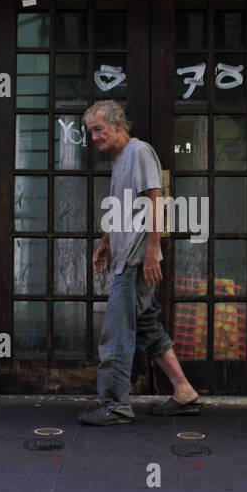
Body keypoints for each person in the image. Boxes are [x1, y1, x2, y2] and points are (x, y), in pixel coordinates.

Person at [78, 100, 201, 425]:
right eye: (91, 132)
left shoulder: (139, 152)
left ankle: (116, 405)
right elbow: (124, 209)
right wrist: (106, 241)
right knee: (147, 327)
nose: (94, 138)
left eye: (99, 130)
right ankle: (184, 391)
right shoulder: (120, 160)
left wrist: (151, 251)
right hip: (125, 256)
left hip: (135, 261)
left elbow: (155, 200)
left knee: (116, 334)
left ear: (118, 124)